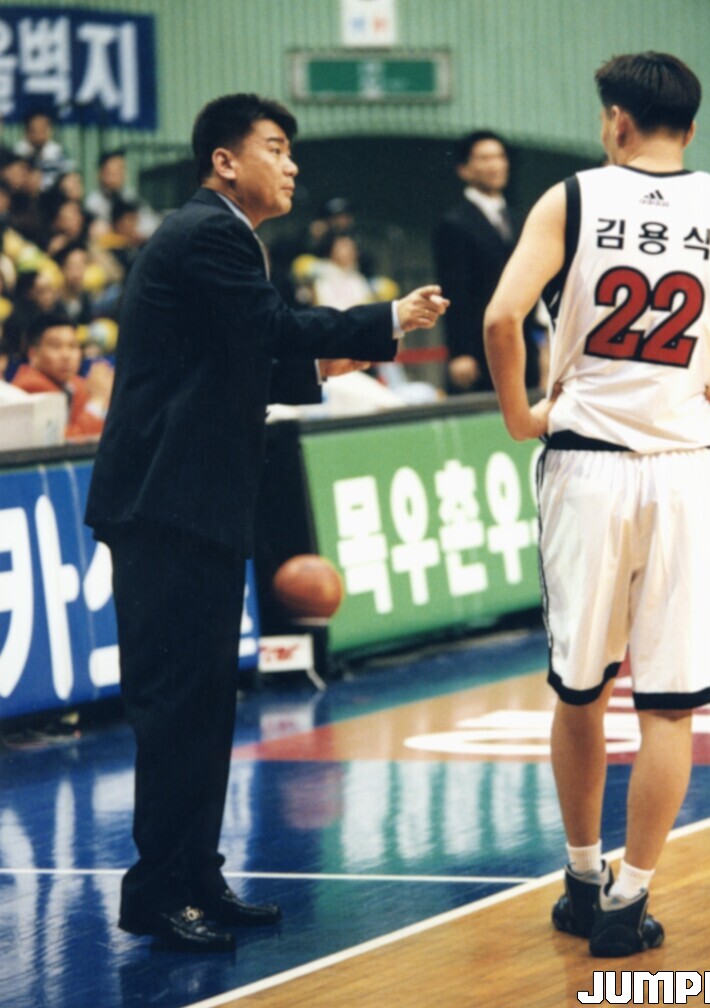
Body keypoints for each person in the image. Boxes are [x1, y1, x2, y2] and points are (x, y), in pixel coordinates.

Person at [84, 93, 447, 953]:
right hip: (166, 506)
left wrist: (329, 361)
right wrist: (385, 321)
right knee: (178, 707)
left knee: (208, 705)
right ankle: (157, 891)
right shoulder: (208, 232)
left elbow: (238, 361)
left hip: (193, 503)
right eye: (276, 149)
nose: (291, 166)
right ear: (223, 161)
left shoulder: (221, 236)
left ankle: (194, 878)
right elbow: (268, 329)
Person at [483, 52, 710, 957]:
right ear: (694, 128)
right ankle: (630, 901)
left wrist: (521, 416)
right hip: (684, 468)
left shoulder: (572, 198)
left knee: (581, 687)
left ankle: (582, 878)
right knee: (669, 704)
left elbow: (500, 318)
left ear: (617, 122)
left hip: (586, 465)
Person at [434, 130, 541, 395]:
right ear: (464, 170)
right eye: (484, 158)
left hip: (522, 345)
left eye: (499, 156)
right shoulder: (454, 224)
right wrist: (460, 352)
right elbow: (454, 290)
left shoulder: (520, 220)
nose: (494, 164)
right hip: (478, 352)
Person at [11, 311, 112, 439]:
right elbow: (63, 443)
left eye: (73, 346)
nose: (66, 355)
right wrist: (98, 401)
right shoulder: (30, 386)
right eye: (56, 346)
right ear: (33, 354)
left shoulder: (74, 383)